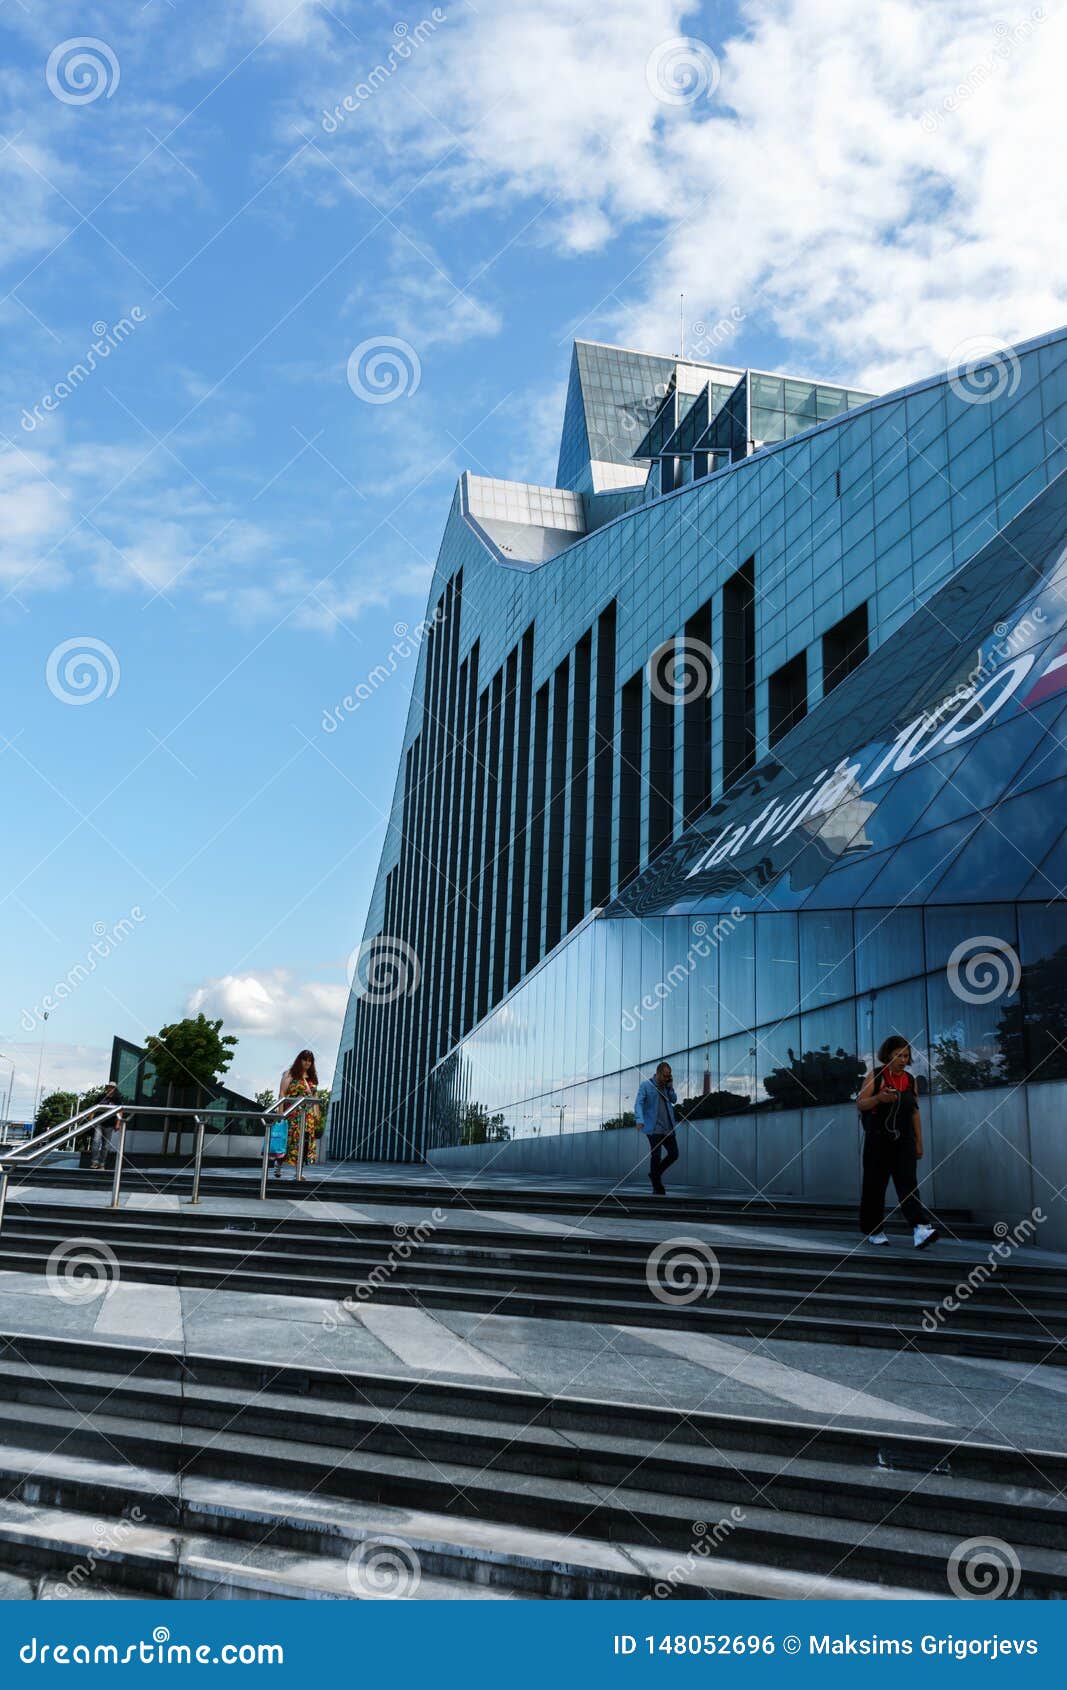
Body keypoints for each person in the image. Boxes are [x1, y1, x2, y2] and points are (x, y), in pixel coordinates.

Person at [857, 1035, 938, 1249]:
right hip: (878, 1140)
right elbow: (861, 1104)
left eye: (906, 1055)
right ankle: (875, 1231)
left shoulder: (910, 1080)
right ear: (888, 1055)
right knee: (875, 1186)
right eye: (898, 1055)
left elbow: (915, 1113)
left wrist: (919, 1142)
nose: (903, 1059)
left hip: (904, 1140)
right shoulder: (876, 1075)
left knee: (908, 1184)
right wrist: (878, 1099)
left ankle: (920, 1229)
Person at [634, 1061, 680, 1195]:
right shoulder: (646, 1086)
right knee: (656, 1156)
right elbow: (638, 1103)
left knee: (674, 1154)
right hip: (653, 1128)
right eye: (665, 1076)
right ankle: (657, 1187)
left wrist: (670, 1087)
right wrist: (639, 1119)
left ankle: (655, 1174)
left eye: (669, 1076)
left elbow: (674, 1100)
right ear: (658, 1073)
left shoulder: (667, 1087)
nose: (667, 1078)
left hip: (668, 1128)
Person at [277, 1049, 321, 1181]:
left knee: (304, 1144)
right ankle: (278, 1166)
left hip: (308, 1117)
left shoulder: (312, 1077)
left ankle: (298, 1172)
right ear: (299, 1060)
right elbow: (282, 1094)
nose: (307, 1063)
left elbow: (315, 1097)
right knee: (288, 1141)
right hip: (292, 1114)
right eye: (305, 1060)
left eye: (310, 1061)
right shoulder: (290, 1074)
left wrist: (317, 1114)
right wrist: (281, 1114)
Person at [88, 1082, 124, 1171]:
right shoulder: (101, 1097)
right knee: (96, 1141)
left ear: (115, 1089)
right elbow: (93, 1108)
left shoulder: (117, 1099)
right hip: (99, 1122)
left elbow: (120, 1111)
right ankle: (94, 1162)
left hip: (110, 1124)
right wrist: (91, 1119)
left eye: (112, 1087)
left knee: (106, 1145)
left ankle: (102, 1163)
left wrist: (118, 1123)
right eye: (108, 1087)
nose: (110, 1089)